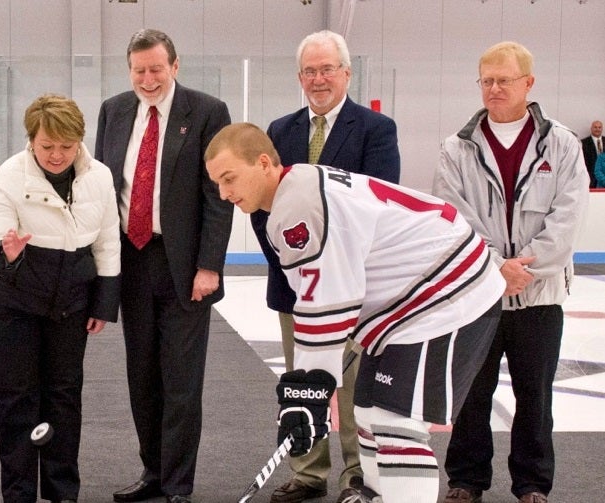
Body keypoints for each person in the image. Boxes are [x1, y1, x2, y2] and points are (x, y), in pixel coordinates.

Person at [206, 122, 506, 503]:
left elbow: (328, 303)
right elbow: (323, 299)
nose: (224, 192)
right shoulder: (297, 190)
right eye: (217, 182)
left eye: (229, 178)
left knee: (396, 424)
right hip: (412, 303)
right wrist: (309, 387)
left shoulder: (298, 205)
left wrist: (308, 390)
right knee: (366, 413)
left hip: (446, 295)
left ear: (264, 163)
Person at [434, 41, 589, 503]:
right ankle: (465, 479)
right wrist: (493, 267)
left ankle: (532, 484)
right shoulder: (455, 148)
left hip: (538, 297)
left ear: (528, 83)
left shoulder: (560, 144)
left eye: (504, 80)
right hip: (476, 297)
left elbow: (567, 218)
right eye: (487, 81)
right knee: (470, 395)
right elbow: (453, 215)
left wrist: (521, 269)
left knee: (535, 397)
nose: (495, 89)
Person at [253, 30, 401, 503]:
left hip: (352, 288)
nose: (319, 79)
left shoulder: (376, 129)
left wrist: (332, 266)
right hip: (294, 288)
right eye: (310, 71)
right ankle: (308, 472)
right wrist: (291, 264)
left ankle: (357, 475)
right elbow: (262, 205)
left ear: (346, 73)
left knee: (355, 387)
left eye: (327, 69)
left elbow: (376, 206)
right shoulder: (279, 130)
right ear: (300, 77)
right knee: (304, 381)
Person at [94, 28, 232, 503]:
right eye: (139, 70)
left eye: (156, 69)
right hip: (130, 262)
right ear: (129, 70)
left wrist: (210, 266)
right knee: (142, 376)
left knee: (181, 381)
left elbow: (218, 197)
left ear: (175, 66)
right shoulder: (112, 111)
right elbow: (100, 189)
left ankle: (177, 485)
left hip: (185, 268)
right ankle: (152, 471)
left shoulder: (208, 112)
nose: (148, 79)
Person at [0, 94, 120, 503]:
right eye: (46, 146)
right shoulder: (9, 174)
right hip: (12, 303)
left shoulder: (100, 177)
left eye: (66, 146)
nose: (56, 155)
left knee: (63, 397)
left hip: (70, 303)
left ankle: (62, 492)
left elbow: (108, 241)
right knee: (17, 398)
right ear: (31, 141)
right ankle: (19, 493)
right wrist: (5, 252)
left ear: (80, 141)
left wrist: (103, 304)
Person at [580, 120, 602, 188]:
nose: (597, 129)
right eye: (595, 127)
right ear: (591, 128)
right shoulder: (583, 143)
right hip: (590, 179)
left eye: (599, 127)